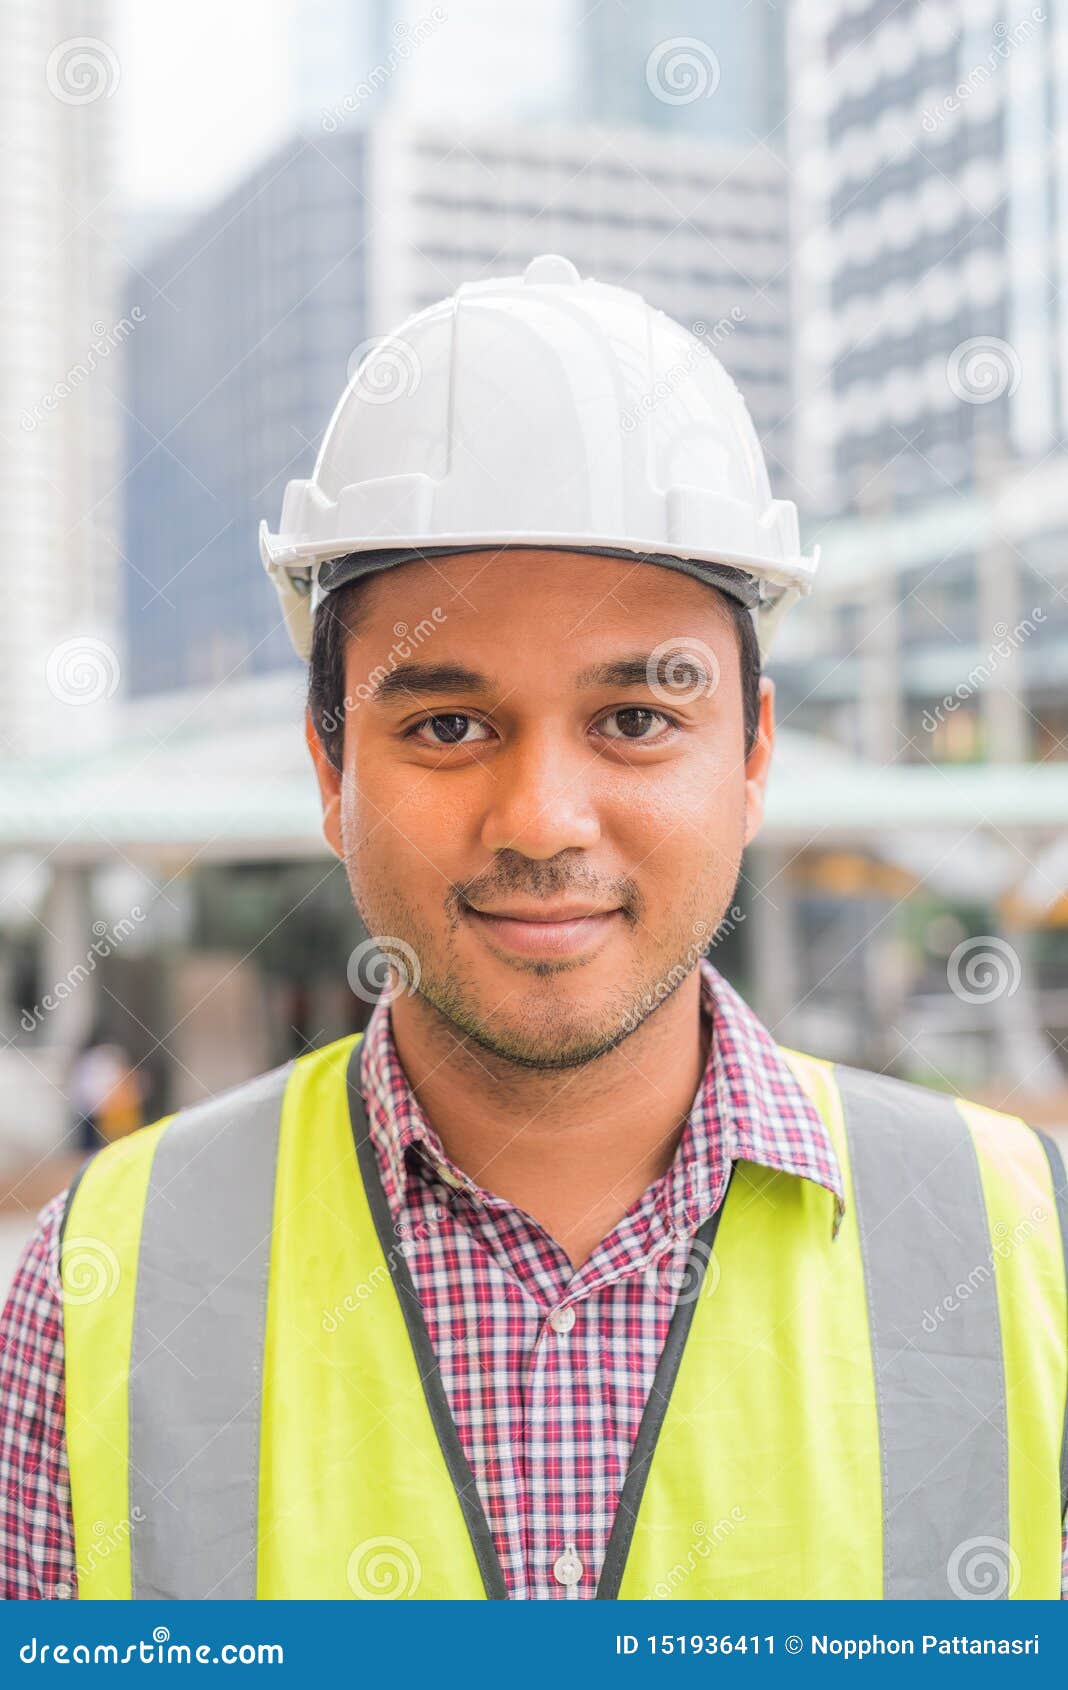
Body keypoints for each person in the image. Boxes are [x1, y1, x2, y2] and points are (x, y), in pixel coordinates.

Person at [1, 256, 1065, 1602]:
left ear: (753, 756)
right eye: (448, 724)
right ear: (331, 770)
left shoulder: (1027, 1251)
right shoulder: (106, 1278)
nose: (545, 819)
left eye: (635, 719)